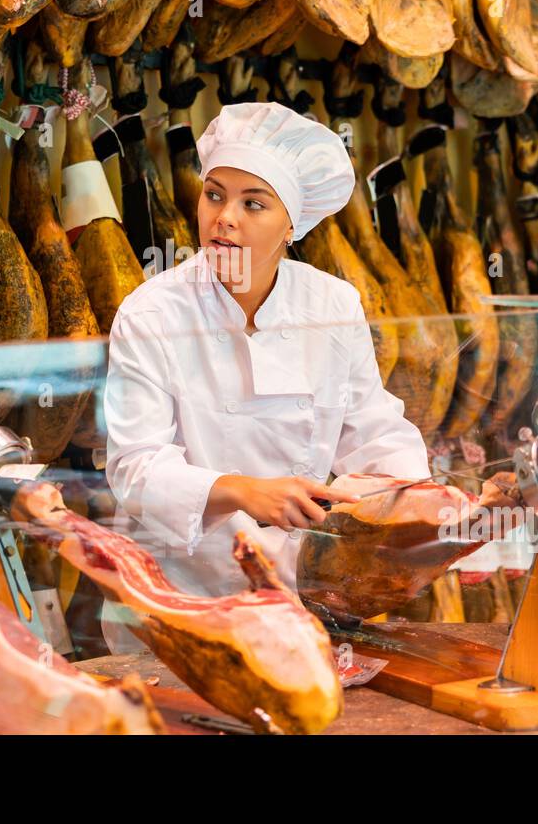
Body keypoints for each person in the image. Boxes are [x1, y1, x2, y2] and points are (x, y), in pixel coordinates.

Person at [103, 102, 430, 611]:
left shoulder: (333, 304)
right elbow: (135, 468)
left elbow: (373, 431)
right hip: (181, 594)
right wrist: (243, 491)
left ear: (292, 225)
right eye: (214, 196)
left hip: (304, 590)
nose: (224, 218)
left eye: (253, 204)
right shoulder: (151, 313)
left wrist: (424, 509)